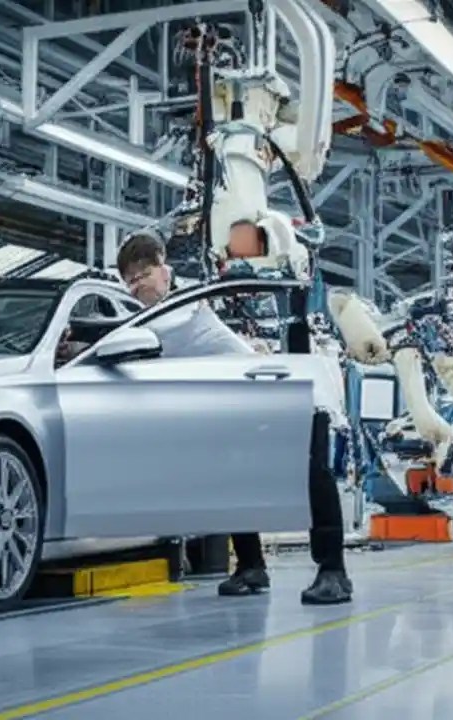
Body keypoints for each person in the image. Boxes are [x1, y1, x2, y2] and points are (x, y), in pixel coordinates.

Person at [115, 230, 353, 605]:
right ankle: (251, 566)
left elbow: (151, 339)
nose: (136, 288)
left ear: (165, 269)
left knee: (313, 479)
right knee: (234, 482)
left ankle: (334, 572)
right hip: (242, 406)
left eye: (142, 276)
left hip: (287, 395)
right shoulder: (152, 316)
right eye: (128, 281)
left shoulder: (182, 307)